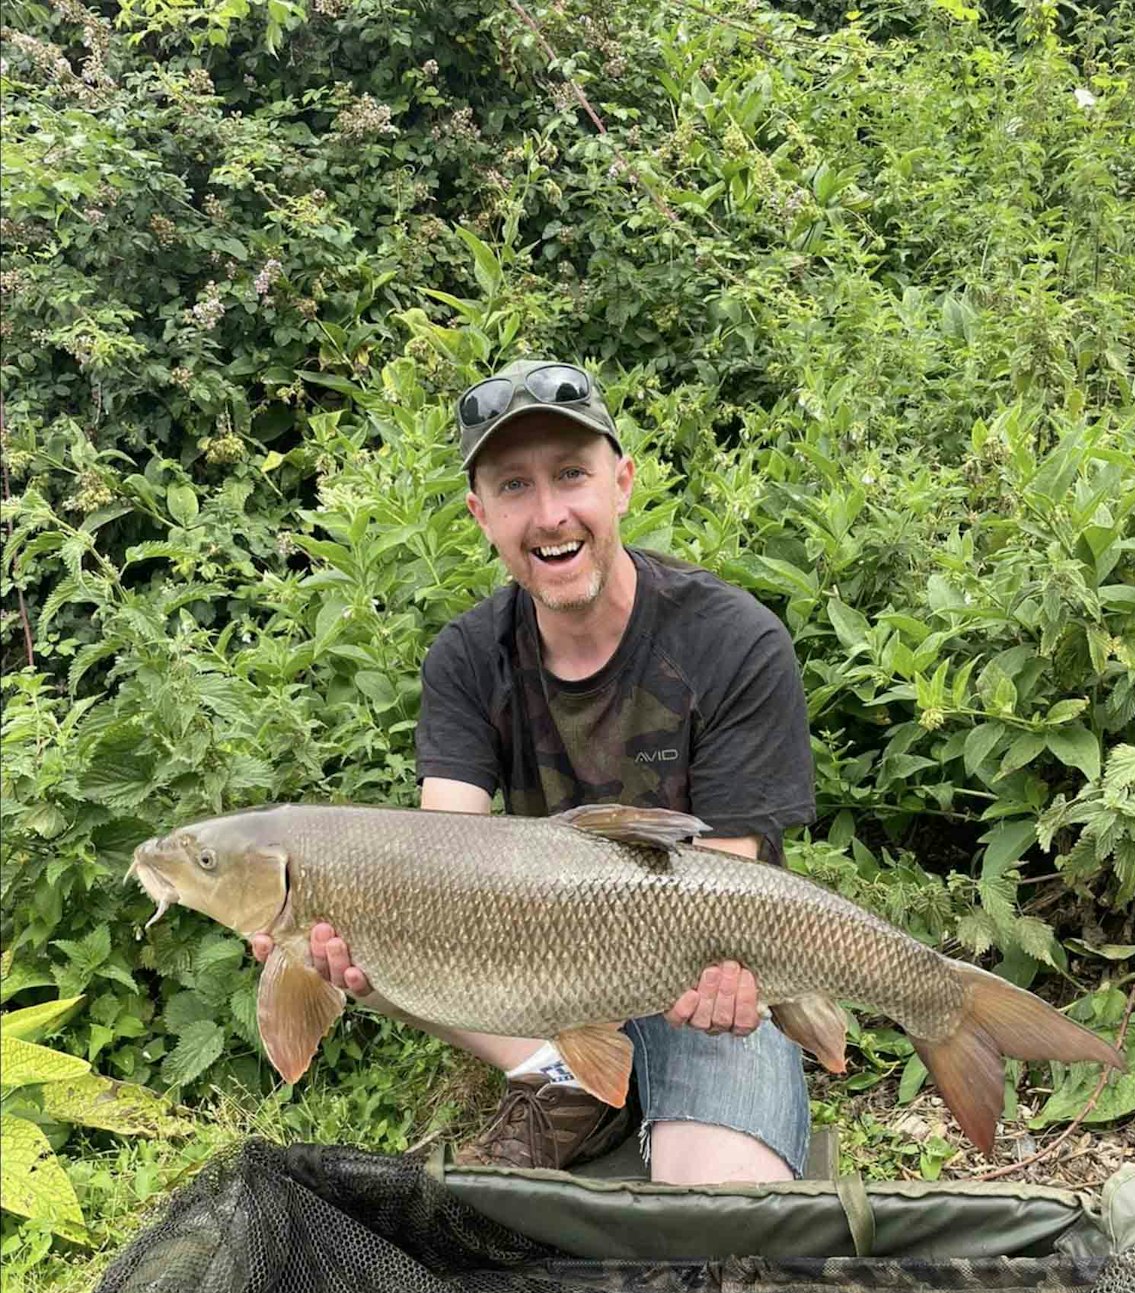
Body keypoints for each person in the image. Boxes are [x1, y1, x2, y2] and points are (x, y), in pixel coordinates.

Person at [254, 359, 817, 1184]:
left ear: (621, 483)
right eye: (515, 486)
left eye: (571, 475)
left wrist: (724, 982)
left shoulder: (733, 640)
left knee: (720, 1221)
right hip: (539, 970)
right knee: (355, 928)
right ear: (481, 514)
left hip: (697, 975)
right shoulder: (467, 656)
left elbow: (727, 886)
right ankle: (566, 1075)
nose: (550, 514)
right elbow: (441, 855)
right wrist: (320, 931)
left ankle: (639, 1083)